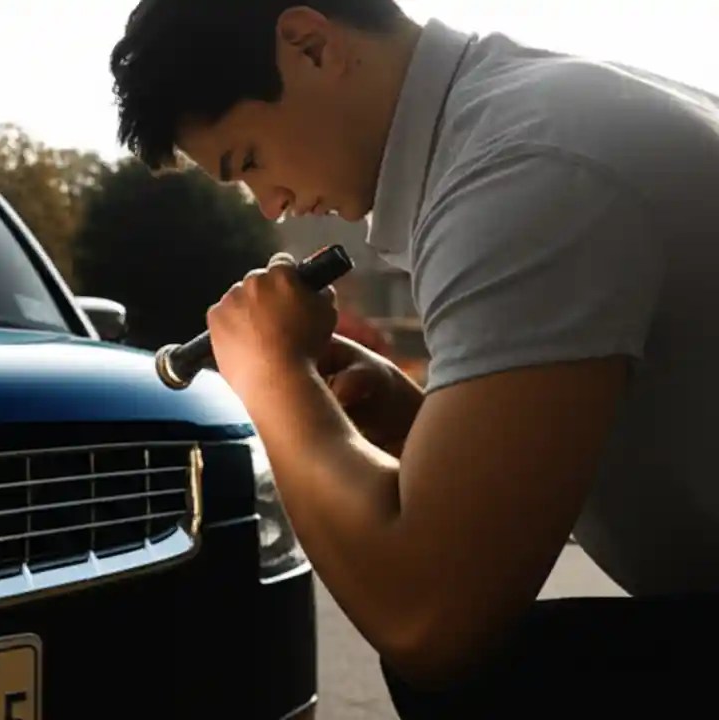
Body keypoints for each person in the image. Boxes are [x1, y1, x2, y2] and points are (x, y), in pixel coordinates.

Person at [108, 1, 719, 717]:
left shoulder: (520, 171)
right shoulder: (534, 115)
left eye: (248, 161)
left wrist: (273, 380)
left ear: (309, 46)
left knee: (473, 680)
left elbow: (429, 618)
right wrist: (427, 427)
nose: (269, 205)